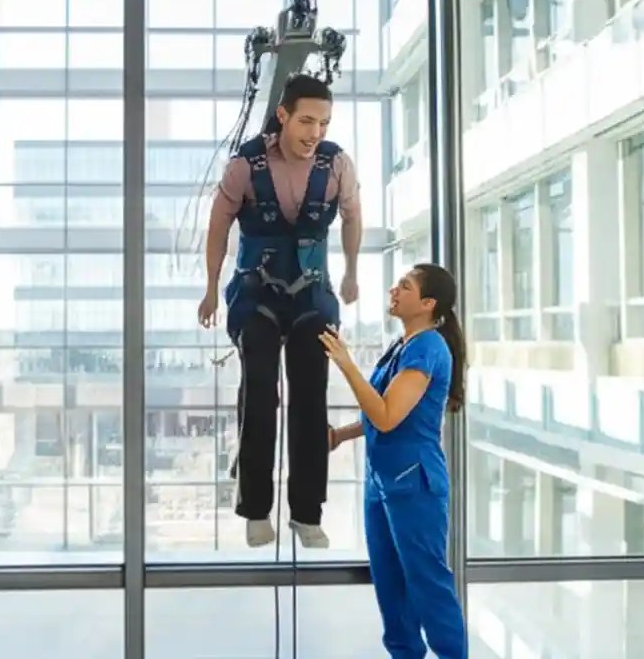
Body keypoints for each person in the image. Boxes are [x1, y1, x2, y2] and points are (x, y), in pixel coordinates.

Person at [198, 73, 362, 549]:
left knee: (311, 396)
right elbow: (217, 226)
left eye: (324, 123)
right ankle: (254, 507)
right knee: (260, 389)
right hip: (256, 294)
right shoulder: (245, 166)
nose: (315, 132)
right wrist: (211, 289)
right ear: (284, 116)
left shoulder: (336, 165)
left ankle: (306, 513)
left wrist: (351, 272)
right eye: (307, 120)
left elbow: (353, 216)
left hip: (312, 295)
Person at [319, 263, 468, 659]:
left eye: (405, 286)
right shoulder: (402, 345)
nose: (394, 290)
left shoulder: (428, 348)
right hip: (382, 483)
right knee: (391, 589)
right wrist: (339, 436)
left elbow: (387, 417)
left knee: (427, 585)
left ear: (428, 303)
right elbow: (381, 414)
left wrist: (347, 365)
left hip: (414, 485)